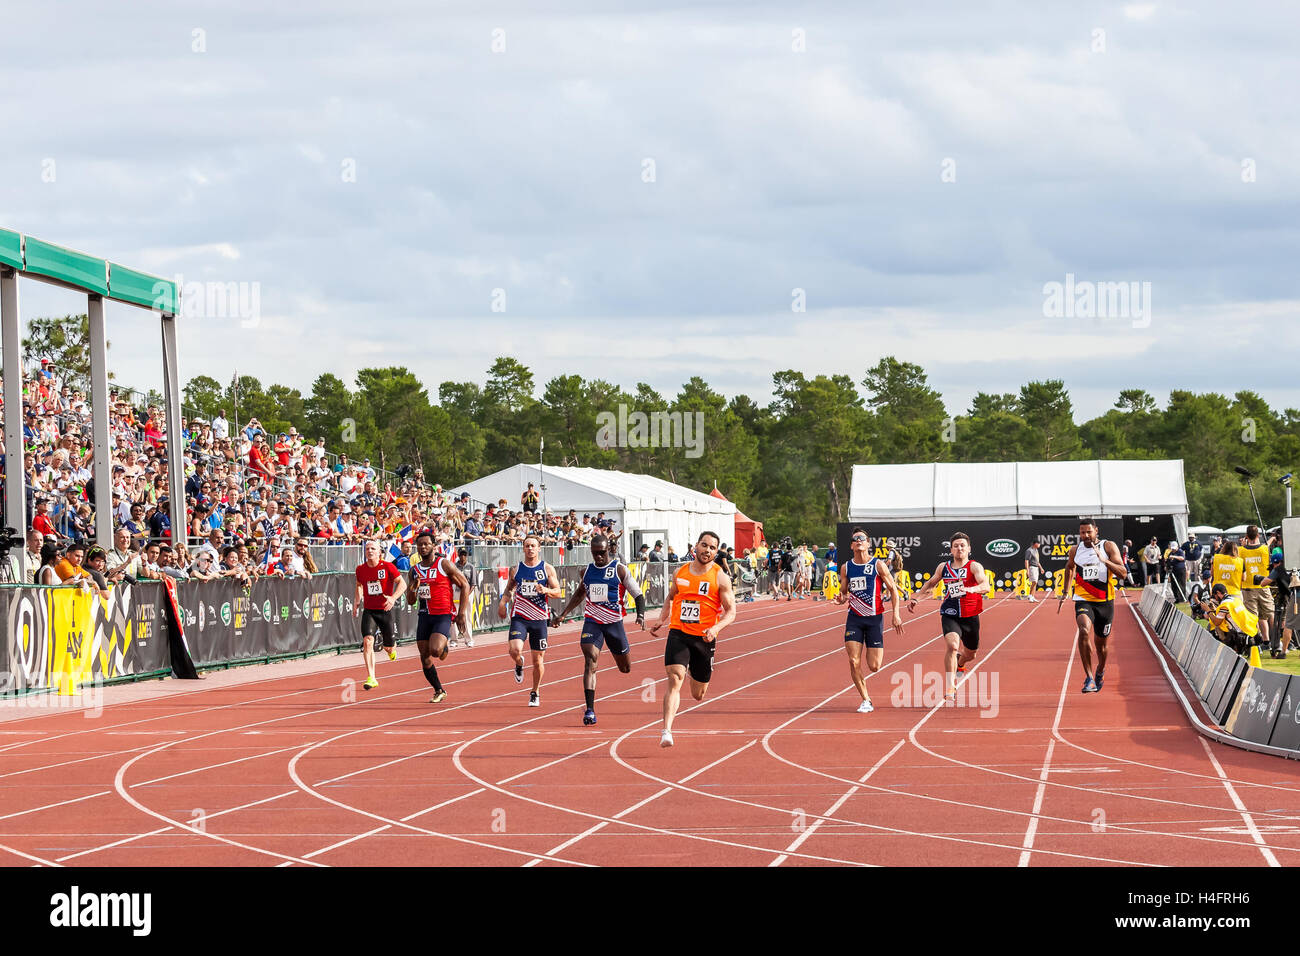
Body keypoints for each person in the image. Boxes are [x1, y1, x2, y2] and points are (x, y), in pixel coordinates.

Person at [650, 531, 736, 747]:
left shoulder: (720, 577)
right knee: (674, 678)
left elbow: (731, 611)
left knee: (698, 694)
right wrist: (662, 618)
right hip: (678, 632)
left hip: (704, 639)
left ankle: (691, 669)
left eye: (712, 548)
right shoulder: (680, 572)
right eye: (704, 545)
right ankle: (666, 731)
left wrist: (716, 628)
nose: (707, 550)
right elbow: (671, 596)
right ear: (696, 547)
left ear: (716, 552)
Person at [553, 534, 647, 725]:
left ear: (609, 550)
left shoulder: (619, 570)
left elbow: (638, 594)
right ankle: (589, 710)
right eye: (595, 553)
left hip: (614, 624)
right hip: (593, 622)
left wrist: (641, 615)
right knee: (590, 660)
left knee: (625, 668)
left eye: (602, 553)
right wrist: (564, 614)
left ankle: (619, 658)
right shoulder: (586, 571)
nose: (599, 557)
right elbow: (580, 593)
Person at [907, 532, 991, 703]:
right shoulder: (943, 567)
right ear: (951, 550)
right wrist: (916, 598)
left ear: (969, 548)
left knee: (971, 654)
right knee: (952, 646)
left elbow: (985, 585)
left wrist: (971, 590)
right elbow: (931, 583)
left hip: (970, 615)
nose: (959, 548)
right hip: (950, 612)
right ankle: (950, 686)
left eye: (962, 545)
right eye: (955, 546)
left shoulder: (974, 567)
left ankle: (961, 663)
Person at [835, 529, 904, 714]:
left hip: (874, 619)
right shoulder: (846, 567)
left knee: (874, 666)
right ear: (851, 545)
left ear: (868, 544)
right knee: (853, 660)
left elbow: (893, 590)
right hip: (854, 619)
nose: (858, 541)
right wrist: (840, 598)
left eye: (862, 538)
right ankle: (866, 699)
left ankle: (870, 665)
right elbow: (844, 591)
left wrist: (895, 614)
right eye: (855, 539)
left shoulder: (878, 565)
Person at [1058, 518, 1127, 693]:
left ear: (1096, 531)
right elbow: (1069, 567)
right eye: (1082, 532)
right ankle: (1089, 678)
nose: (1086, 535)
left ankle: (1100, 670)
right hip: (1083, 599)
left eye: (1089, 532)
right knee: (1083, 630)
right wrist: (1065, 592)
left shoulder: (1108, 546)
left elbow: (1123, 573)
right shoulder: (1075, 550)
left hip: (1105, 602)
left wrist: (1104, 561)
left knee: (1101, 646)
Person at [407, 532, 472, 703]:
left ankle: (443, 646)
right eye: (420, 544)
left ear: (433, 546)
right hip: (424, 615)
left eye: (426, 544)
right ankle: (439, 690)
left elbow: (465, 584)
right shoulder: (414, 570)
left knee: (435, 651)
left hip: (443, 613)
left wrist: (461, 613)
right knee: (424, 656)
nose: (423, 547)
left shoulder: (444, 564)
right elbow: (410, 600)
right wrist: (413, 588)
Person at [497, 534, 562, 706]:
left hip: (539, 619)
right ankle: (519, 663)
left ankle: (535, 691)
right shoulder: (516, 569)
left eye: (533, 546)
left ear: (539, 548)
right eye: (527, 546)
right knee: (514, 650)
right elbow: (509, 590)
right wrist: (503, 603)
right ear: (523, 548)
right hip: (520, 617)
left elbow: (558, 592)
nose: (530, 549)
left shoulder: (547, 569)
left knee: (538, 660)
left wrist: (546, 590)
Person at [353, 540, 407, 690]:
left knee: (388, 647)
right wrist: (357, 601)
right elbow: (358, 585)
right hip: (369, 610)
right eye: (367, 549)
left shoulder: (388, 567)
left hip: (385, 610)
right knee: (368, 640)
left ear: (379, 552)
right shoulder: (360, 569)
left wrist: (393, 598)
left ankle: (391, 649)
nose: (370, 551)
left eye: (373, 549)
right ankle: (371, 677)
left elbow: (402, 584)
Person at [1237, 526, 1273, 654]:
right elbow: (1266, 545)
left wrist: (1243, 543)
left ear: (1246, 536)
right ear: (1258, 535)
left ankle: (1257, 641)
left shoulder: (1241, 550)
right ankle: (1269, 641)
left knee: (1253, 617)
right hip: (1264, 586)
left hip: (1248, 588)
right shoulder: (1264, 549)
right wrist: (1272, 538)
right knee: (1267, 615)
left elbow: (1239, 557)